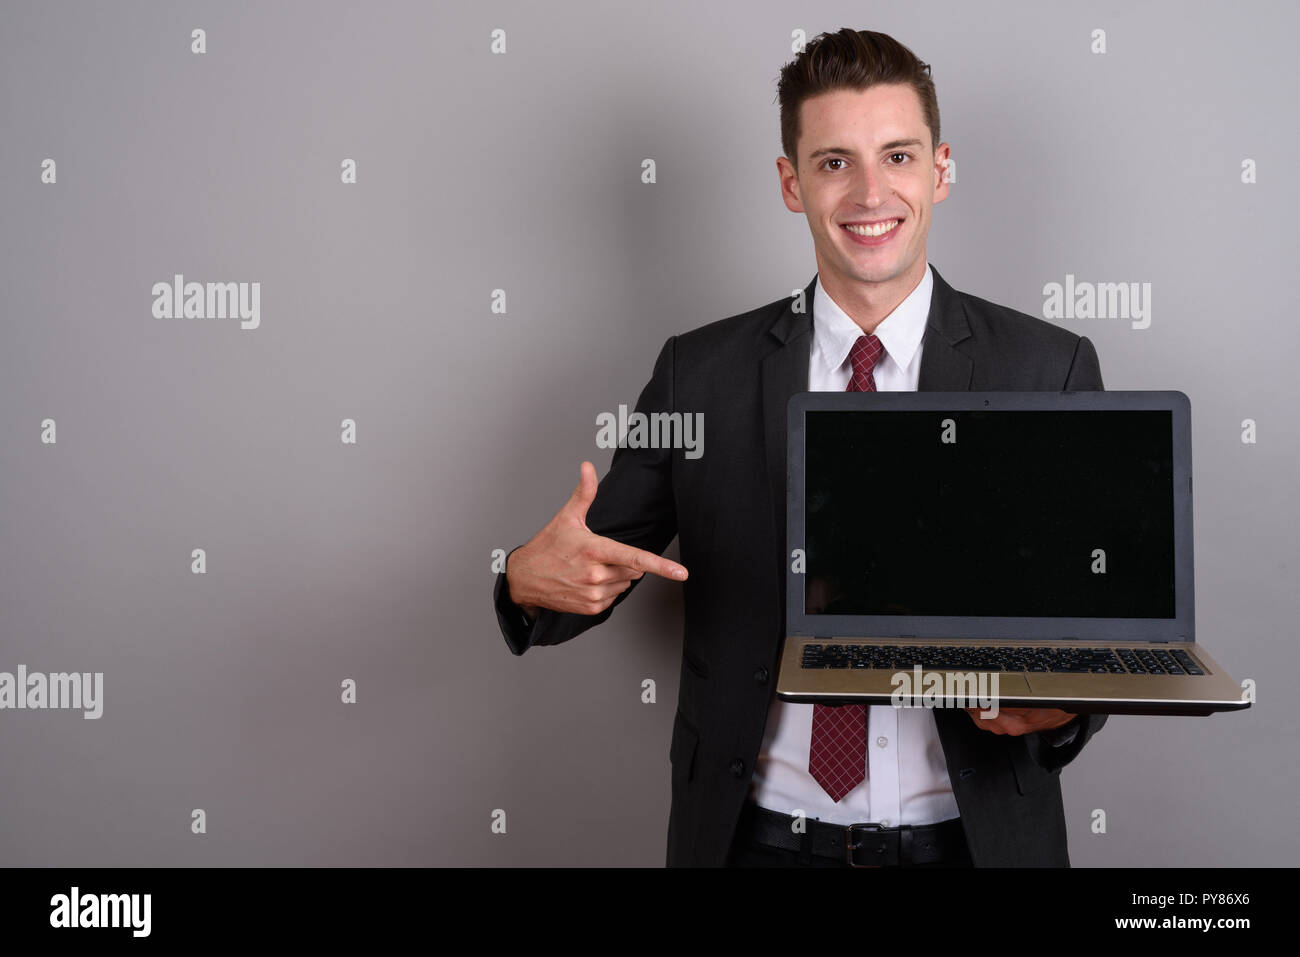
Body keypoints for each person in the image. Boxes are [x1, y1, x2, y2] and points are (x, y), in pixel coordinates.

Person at [492, 27, 1107, 867]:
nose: (869, 192)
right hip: (756, 845)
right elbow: (588, 566)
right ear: (792, 183)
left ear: (940, 170)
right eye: (833, 162)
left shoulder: (1046, 369)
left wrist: (1066, 709)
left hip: (973, 843)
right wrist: (522, 580)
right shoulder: (698, 374)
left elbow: (1100, 620)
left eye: (897, 156)